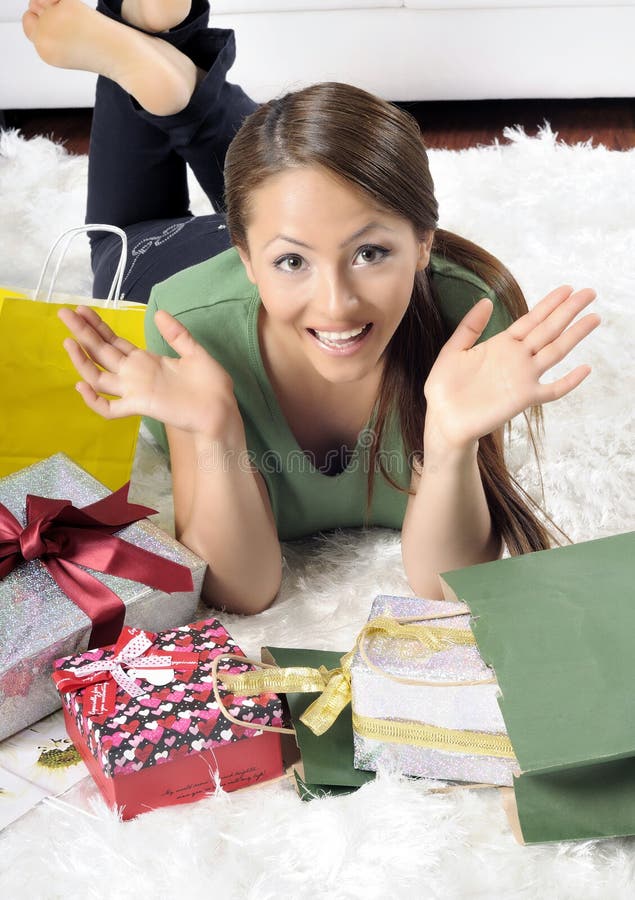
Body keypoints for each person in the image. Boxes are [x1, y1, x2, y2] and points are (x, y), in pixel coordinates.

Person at [23, 0, 600, 615]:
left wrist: (452, 437)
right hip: (173, 258)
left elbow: (451, 585)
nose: (337, 305)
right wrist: (211, 423)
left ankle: (171, 75)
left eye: (372, 253)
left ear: (425, 241)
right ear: (244, 260)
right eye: (293, 264)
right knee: (124, 236)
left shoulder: (471, 324)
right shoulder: (187, 326)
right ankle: (155, 52)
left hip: (267, 229)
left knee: (303, 182)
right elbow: (241, 591)